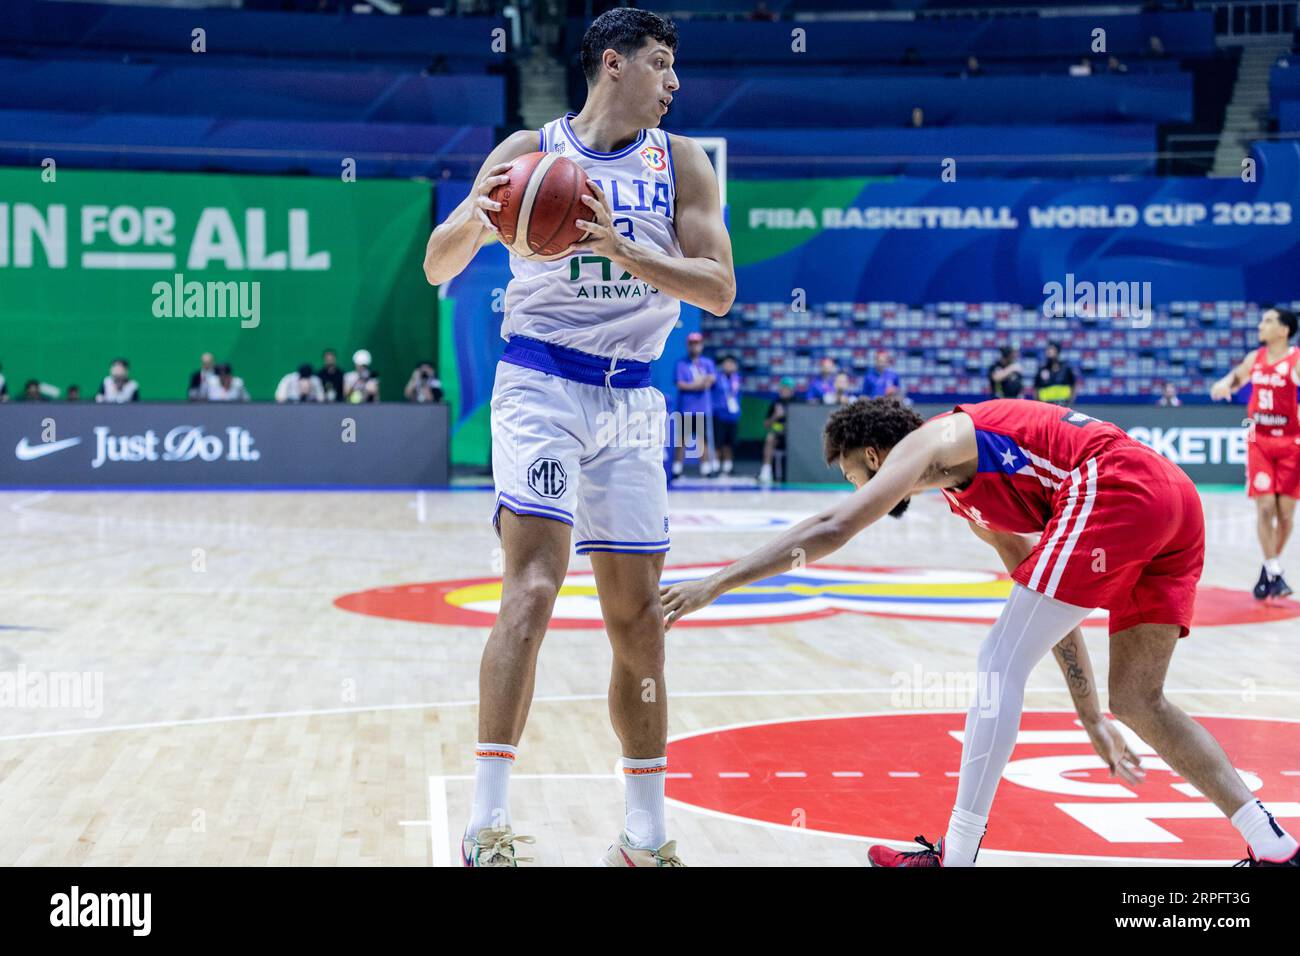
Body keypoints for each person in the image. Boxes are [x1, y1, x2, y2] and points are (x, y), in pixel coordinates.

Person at [661, 396, 1300, 868]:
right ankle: (1274, 845)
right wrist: (1089, 714)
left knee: (996, 662)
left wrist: (712, 583)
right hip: (1171, 502)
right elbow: (1049, 606)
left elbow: (830, 528)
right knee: (1136, 698)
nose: (854, 485)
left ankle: (957, 855)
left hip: (1120, 486)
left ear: (874, 455)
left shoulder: (932, 440)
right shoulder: (972, 500)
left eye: (852, 472)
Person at [422, 7, 734, 868]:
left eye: (676, 67)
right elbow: (437, 264)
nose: (675, 82)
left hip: (632, 399)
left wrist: (625, 248)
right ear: (612, 64)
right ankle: (486, 825)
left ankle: (644, 835)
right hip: (539, 384)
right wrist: (485, 217)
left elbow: (717, 289)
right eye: (662, 64)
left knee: (638, 622)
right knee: (531, 588)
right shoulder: (529, 149)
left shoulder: (684, 163)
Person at [1211, 306, 1300, 600]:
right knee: (1264, 507)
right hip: (1257, 437)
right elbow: (1232, 380)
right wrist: (1223, 386)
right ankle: (1274, 570)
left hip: (1291, 441)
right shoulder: (1255, 358)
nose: (1261, 325)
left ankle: (1268, 572)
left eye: (1269, 321)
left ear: (1284, 330)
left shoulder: (1296, 360)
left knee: (1286, 514)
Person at [673, 332, 716, 478]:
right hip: (685, 407)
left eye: (697, 343)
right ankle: (677, 469)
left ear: (702, 345)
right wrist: (699, 384)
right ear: (688, 345)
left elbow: (711, 381)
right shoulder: (681, 363)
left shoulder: (707, 363)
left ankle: (705, 469)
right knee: (682, 439)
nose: (694, 347)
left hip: (702, 407)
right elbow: (681, 384)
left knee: (702, 438)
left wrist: (695, 384)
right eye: (692, 344)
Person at [757, 377, 794, 486]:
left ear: (792, 390)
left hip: (794, 435)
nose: (786, 390)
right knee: (770, 438)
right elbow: (766, 424)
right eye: (784, 388)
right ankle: (766, 471)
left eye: (788, 388)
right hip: (780, 434)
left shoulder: (797, 402)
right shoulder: (775, 403)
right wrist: (775, 416)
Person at [710, 355, 742, 477]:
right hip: (720, 414)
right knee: (719, 442)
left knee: (730, 443)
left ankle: (728, 467)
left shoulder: (737, 379)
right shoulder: (717, 378)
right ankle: (716, 467)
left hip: (733, 415)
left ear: (736, 366)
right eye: (726, 363)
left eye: (731, 364)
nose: (729, 366)